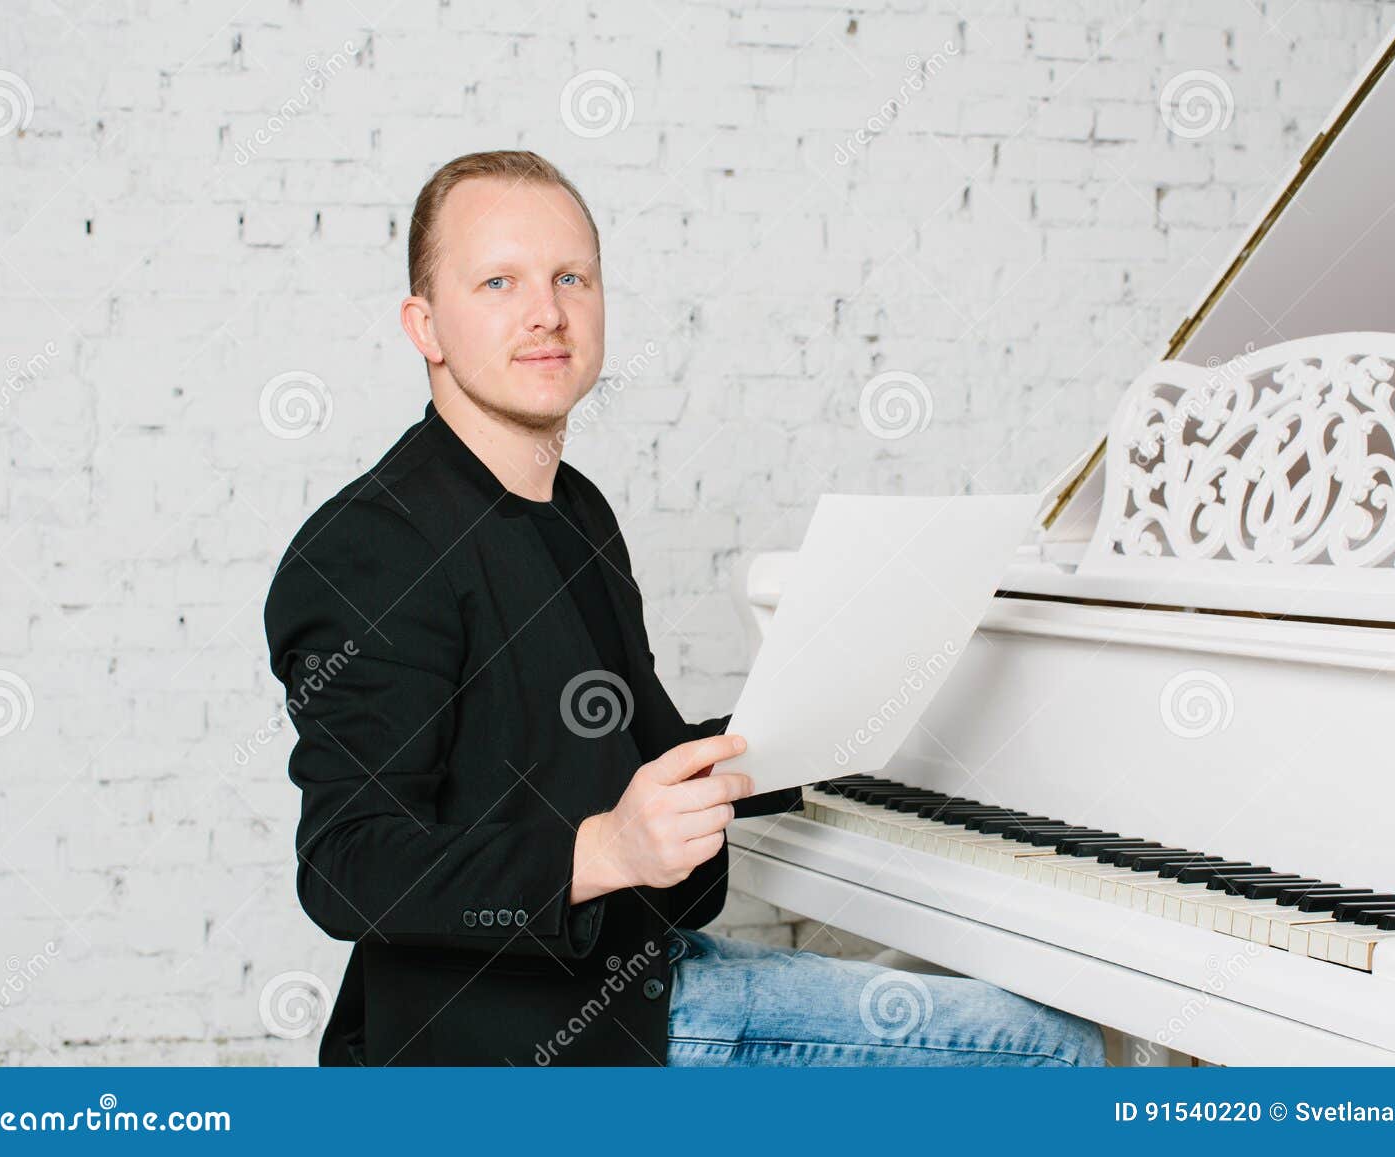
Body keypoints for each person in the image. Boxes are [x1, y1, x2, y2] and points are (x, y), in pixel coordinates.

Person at [263, 149, 1105, 1068]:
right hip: (518, 1038)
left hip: (632, 973)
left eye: (571, 277)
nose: (546, 310)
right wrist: (604, 849)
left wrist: (835, 716)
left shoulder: (576, 510)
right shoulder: (372, 544)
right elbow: (348, 864)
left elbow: (639, 762)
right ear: (425, 326)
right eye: (499, 280)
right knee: (1049, 1048)